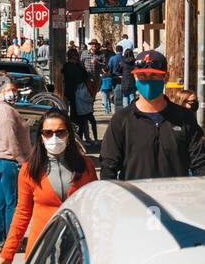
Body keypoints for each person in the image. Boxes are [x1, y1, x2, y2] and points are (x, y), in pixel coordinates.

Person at [0, 110, 97, 264]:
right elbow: (22, 213)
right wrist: (8, 254)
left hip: (76, 247)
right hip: (42, 247)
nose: (54, 137)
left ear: (68, 134)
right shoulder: (30, 170)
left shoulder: (85, 165)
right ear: (41, 137)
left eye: (60, 132)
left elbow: (95, 207)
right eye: (48, 133)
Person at [100, 50, 205, 181]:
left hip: (176, 199)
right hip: (135, 199)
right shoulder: (121, 119)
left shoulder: (185, 118)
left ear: (165, 77)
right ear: (135, 77)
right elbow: (108, 167)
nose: (148, 81)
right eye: (142, 75)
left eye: (154, 76)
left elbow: (200, 163)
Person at [0, 74, 30, 252]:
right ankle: (11, 240)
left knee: (0, 202)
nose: (14, 93)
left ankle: (2, 239)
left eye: (15, 90)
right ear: (0, 92)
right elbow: (10, 139)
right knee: (12, 202)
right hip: (8, 161)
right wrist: (22, 160)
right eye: (10, 90)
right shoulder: (5, 111)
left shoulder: (1, 108)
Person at [60, 48, 87, 119]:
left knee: (67, 109)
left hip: (68, 89)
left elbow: (63, 76)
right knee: (76, 112)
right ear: (75, 56)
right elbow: (83, 77)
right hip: (77, 91)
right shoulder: (78, 67)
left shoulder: (65, 66)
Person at [73, 76, 98, 145]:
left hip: (81, 110)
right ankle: (94, 139)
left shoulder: (77, 87)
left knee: (82, 126)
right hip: (85, 110)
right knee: (92, 123)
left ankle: (82, 140)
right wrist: (91, 99)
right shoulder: (82, 87)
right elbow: (84, 97)